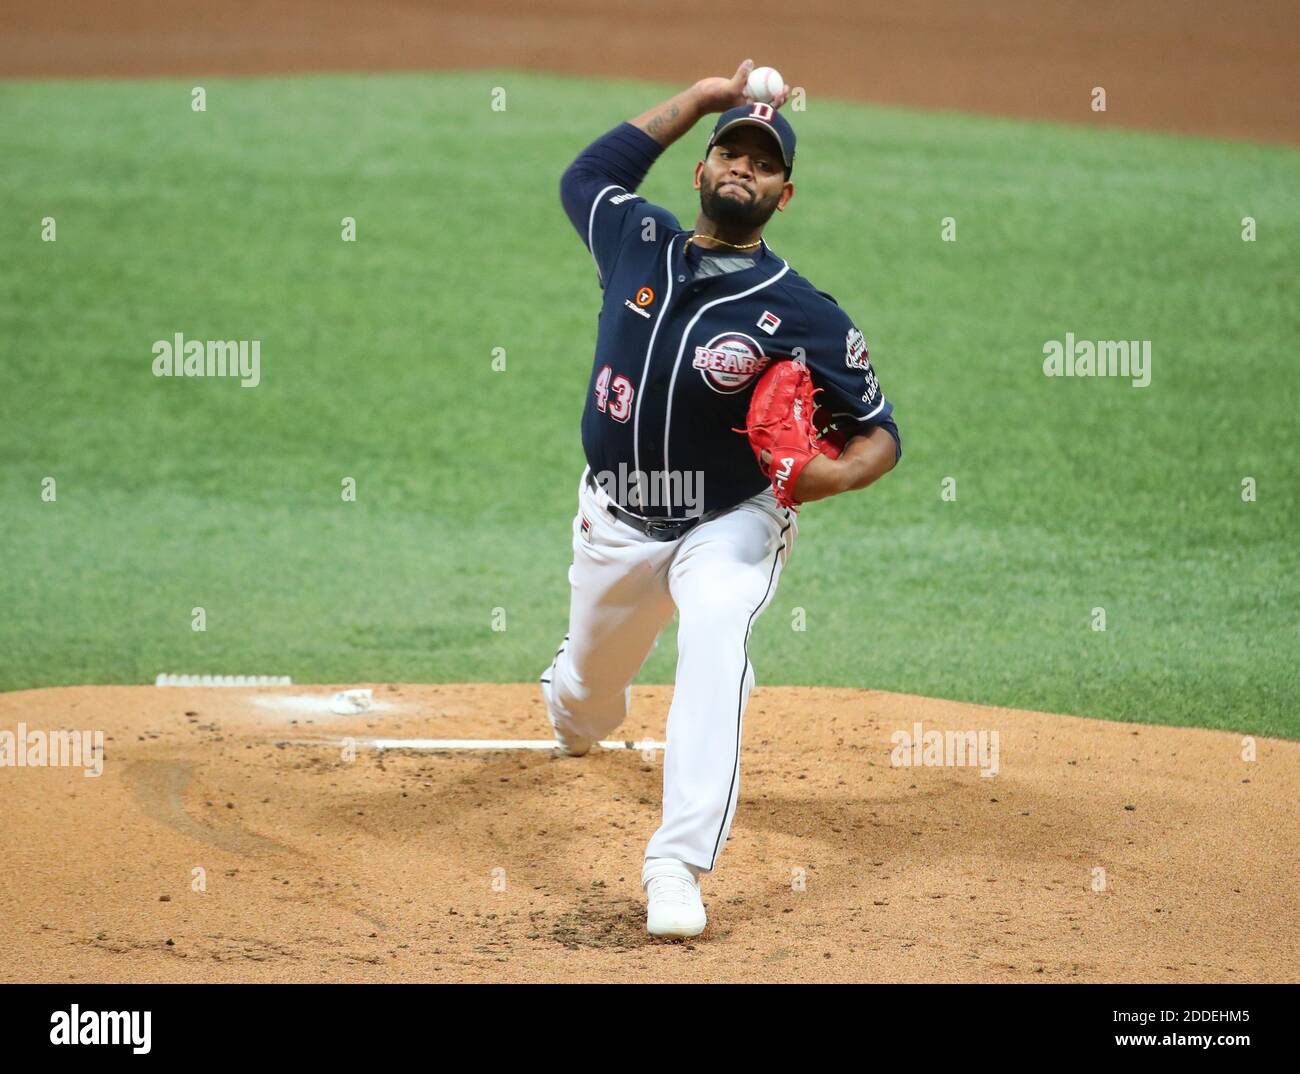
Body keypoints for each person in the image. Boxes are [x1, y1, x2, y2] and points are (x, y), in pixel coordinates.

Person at [543, 59, 902, 938]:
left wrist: (836, 474)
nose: (744, 167)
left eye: (764, 162)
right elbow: (587, 174)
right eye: (729, 153)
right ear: (702, 170)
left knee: (715, 637)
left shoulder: (803, 311)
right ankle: (575, 703)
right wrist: (704, 98)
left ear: (784, 196)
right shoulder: (637, 240)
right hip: (616, 520)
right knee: (586, 699)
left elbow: (880, 430)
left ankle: (677, 864)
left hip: (730, 521)